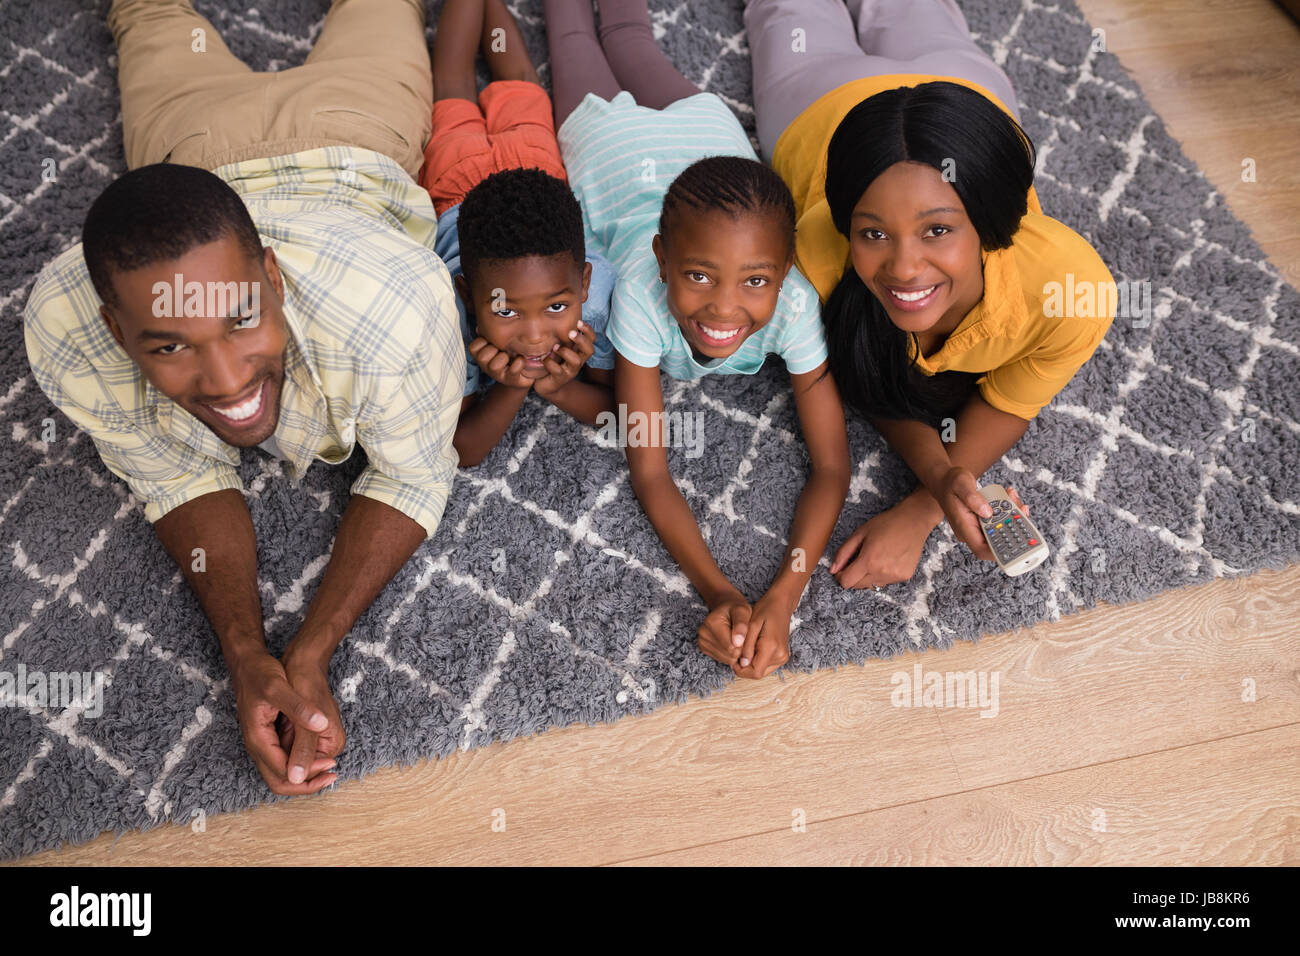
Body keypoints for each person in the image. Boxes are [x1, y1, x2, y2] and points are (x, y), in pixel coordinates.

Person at [23, 0, 464, 796]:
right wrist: (248, 658)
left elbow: (416, 473)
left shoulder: (398, 307)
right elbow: (175, 476)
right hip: (198, 147)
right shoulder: (63, 326)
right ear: (115, 330)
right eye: (168, 345)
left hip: (348, 135)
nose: (227, 383)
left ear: (271, 275)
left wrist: (311, 651)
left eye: (240, 319)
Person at [744, 0, 1115, 589]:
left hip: (957, 98)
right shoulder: (812, 261)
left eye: (937, 230)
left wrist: (925, 508)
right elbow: (871, 374)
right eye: (873, 234)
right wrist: (937, 485)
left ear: (990, 221)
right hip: (818, 102)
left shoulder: (1071, 292)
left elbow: (1010, 403)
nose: (904, 269)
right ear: (847, 227)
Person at [545, 0, 852, 680]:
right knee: (568, 26)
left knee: (626, 32)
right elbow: (649, 465)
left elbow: (833, 466)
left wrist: (782, 596)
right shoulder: (641, 298)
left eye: (755, 281)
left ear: (786, 271)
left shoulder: (795, 307)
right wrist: (717, 591)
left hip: (707, 139)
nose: (724, 306)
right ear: (660, 259)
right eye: (697, 276)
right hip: (610, 150)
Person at [420, 0, 616, 466]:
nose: (533, 337)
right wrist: (512, 388)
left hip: (521, 174)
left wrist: (560, 388)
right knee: (467, 87)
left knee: (504, 86)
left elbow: (621, 414)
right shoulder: (453, 317)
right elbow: (460, 451)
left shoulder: (601, 296)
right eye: (506, 309)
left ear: (584, 283)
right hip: (463, 181)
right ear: (468, 294)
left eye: (556, 306)